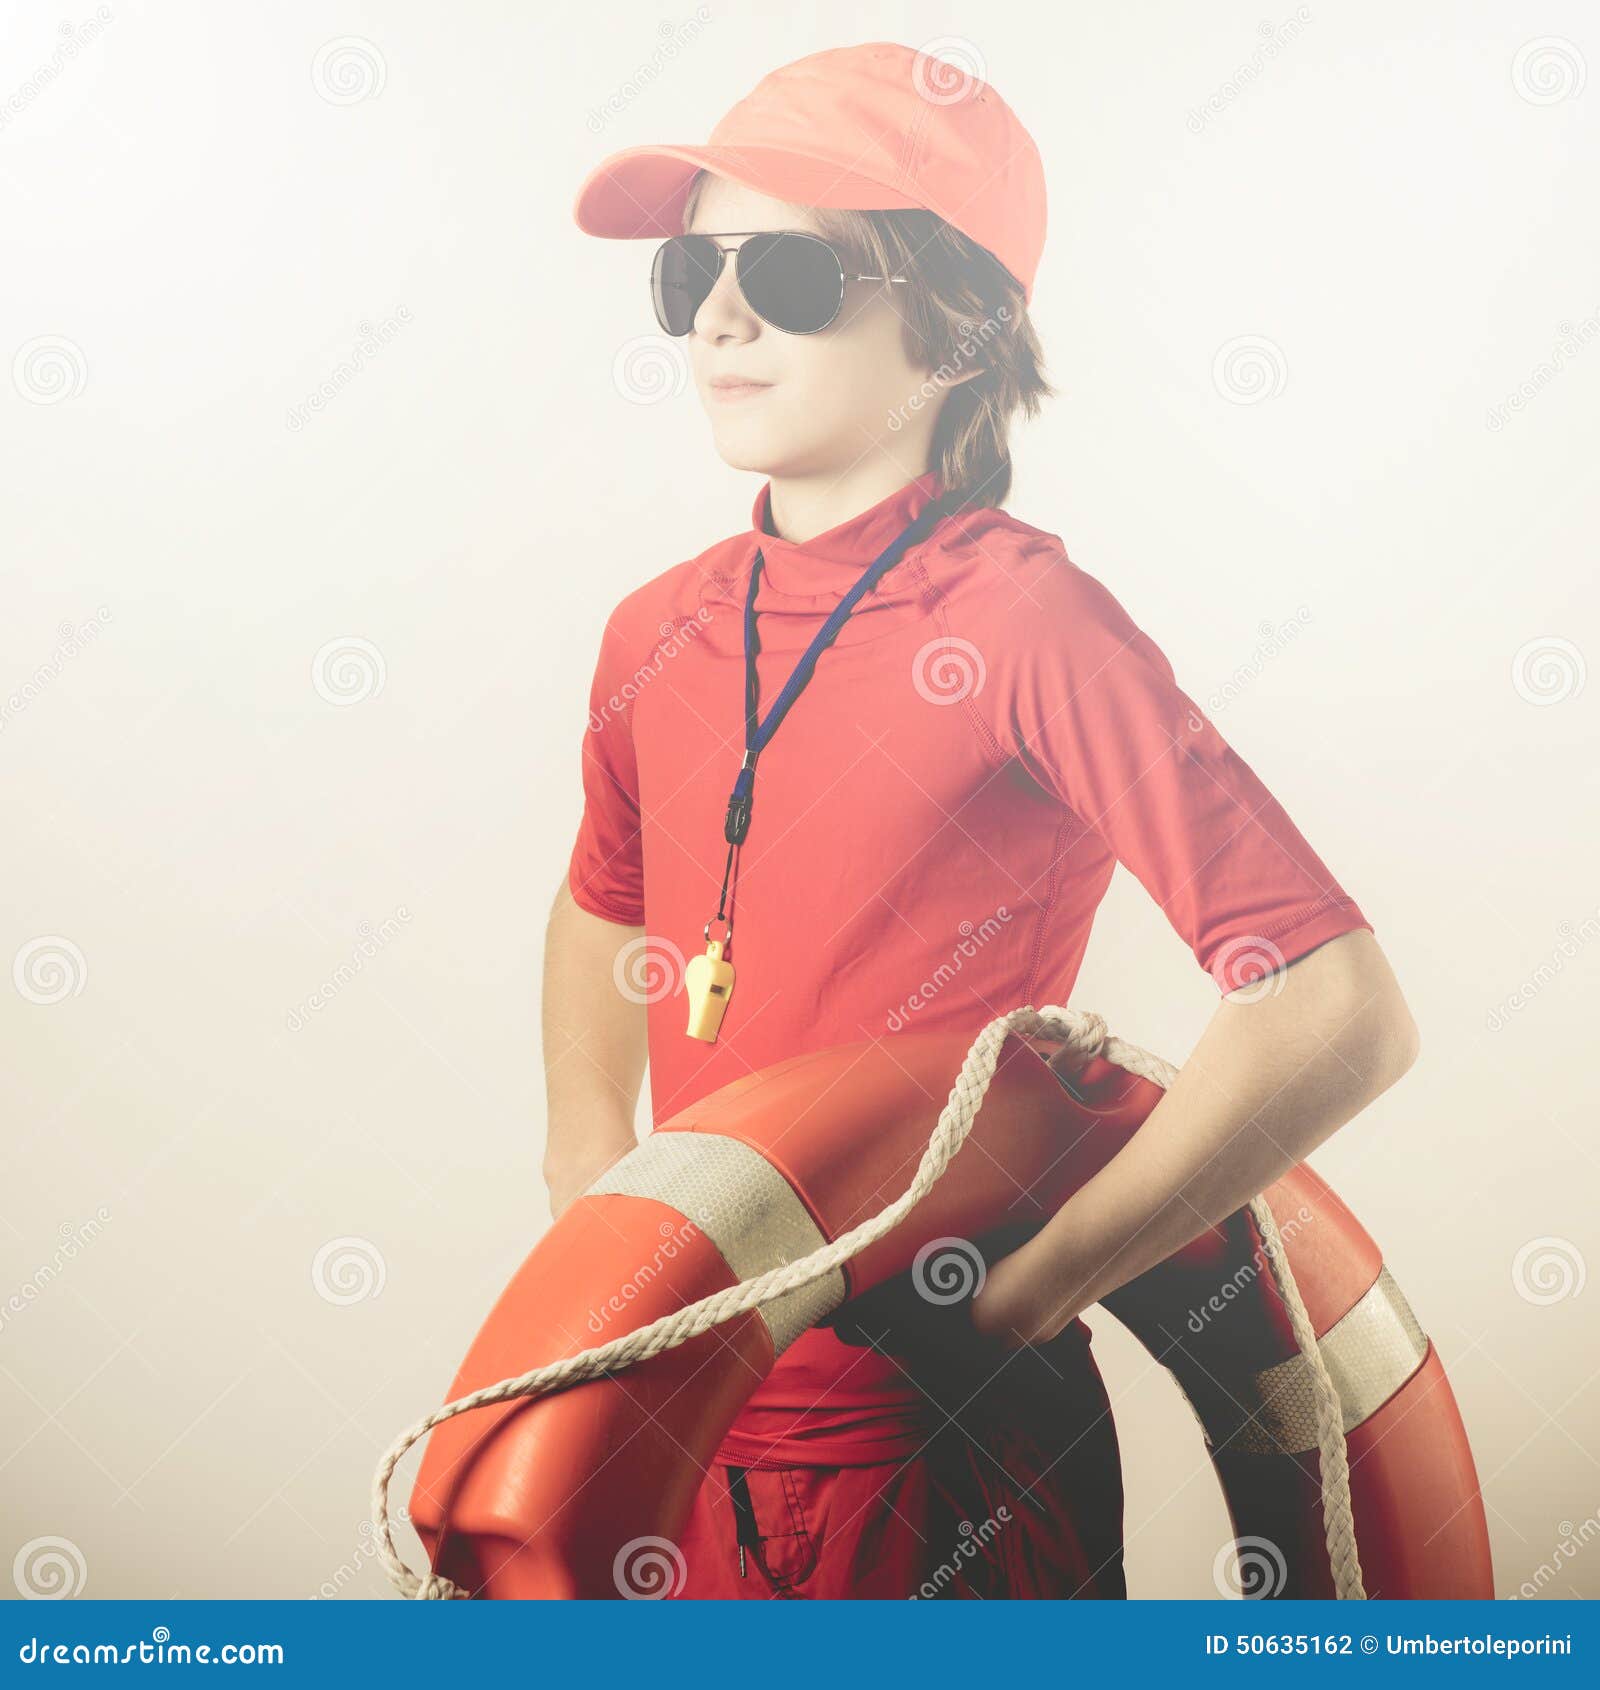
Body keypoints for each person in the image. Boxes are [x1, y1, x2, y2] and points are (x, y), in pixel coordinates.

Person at [546, 42, 1418, 1600]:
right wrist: (588, 1176)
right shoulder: (653, 631)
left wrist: (1032, 1292)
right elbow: (604, 903)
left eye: (793, 274)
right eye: (694, 271)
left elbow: (1334, 1004)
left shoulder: (1026, 624)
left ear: (950, 327)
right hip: (680, 1414)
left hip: (940, 1457)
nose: (724, 315)